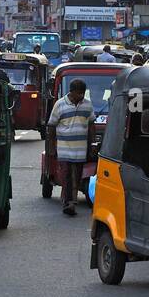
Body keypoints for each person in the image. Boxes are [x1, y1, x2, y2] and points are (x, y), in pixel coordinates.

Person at [46, 78, 94, 216]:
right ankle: (69, 203)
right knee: (66, 174)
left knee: (77, 176)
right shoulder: (60, 104)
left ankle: (72, 200)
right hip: (64, 147)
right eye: (79, 93)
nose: (81, 96)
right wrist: (51, 146)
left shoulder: (88, 105)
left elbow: (91, 125)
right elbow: (51, 126)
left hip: (80, 148)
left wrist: (91, 145)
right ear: (71, 92)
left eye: (83, 93)